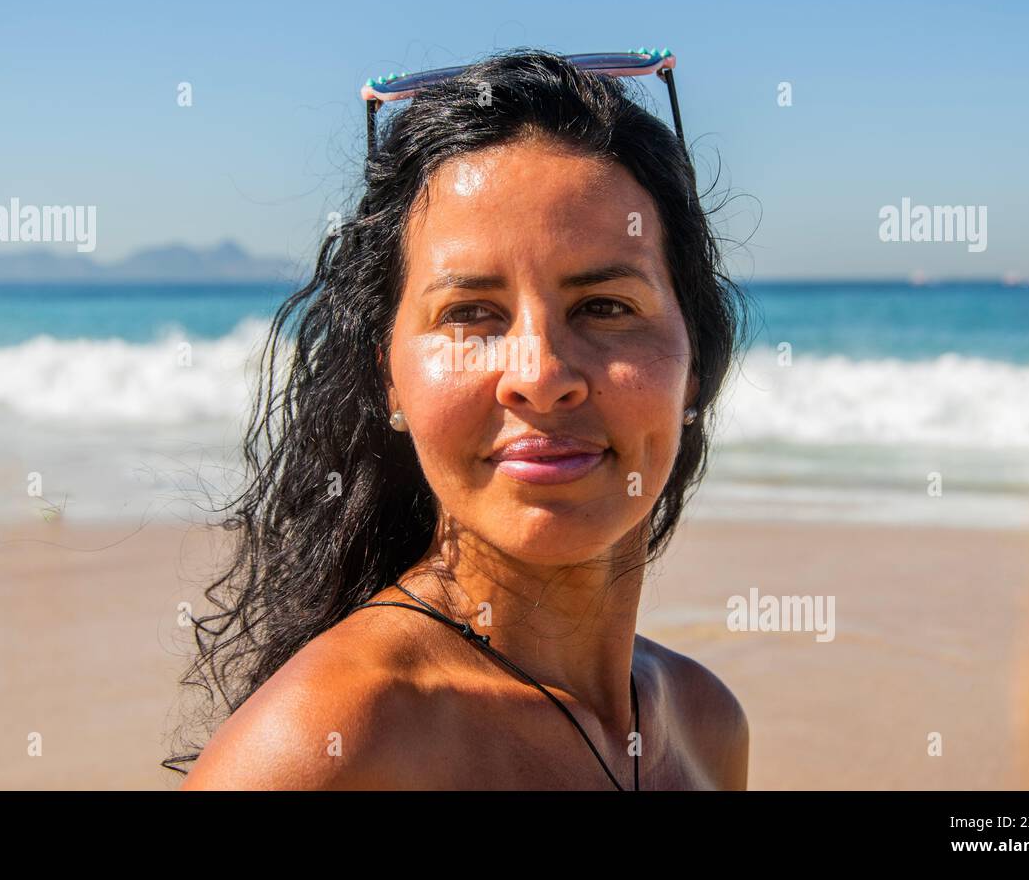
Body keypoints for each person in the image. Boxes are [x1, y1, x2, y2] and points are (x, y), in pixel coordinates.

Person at [171, 48, 748, 790]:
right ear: (389, 377)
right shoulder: (326, 745)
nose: (540, 377)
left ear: (695, 359)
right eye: (471, 314)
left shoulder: (706, 726)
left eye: (605, 307)